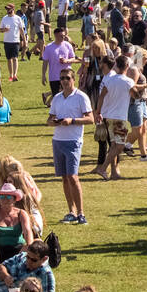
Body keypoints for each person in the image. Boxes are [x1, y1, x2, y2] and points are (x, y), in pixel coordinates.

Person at [48, 66, 94, 225]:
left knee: (73, 177)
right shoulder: (57, 98)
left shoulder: (81, 97)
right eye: (62, 78)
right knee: (64, 178)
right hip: (58, 140)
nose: (65, 81)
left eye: (67, 78)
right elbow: (49, 119)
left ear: (74, 79)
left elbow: (90, 119)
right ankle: (71, 211)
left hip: (73, 141)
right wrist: (54, 122)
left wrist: (72, 121)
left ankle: (81, 213)